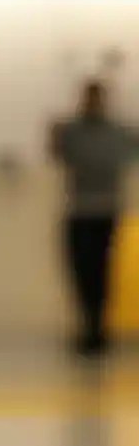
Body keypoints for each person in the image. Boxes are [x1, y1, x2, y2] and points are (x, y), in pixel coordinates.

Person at [51, 80, 137, 357]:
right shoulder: (72, 131)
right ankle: (89, 325)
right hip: (79, 209)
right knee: (80, 270)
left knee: (101, 271)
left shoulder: (116, 132)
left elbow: (115, 160)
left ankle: (98, 328)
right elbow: (60, 155)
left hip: (105, 210)